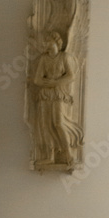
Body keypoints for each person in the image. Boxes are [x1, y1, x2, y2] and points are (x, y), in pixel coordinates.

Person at [32, 32, 83, 167]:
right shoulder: (44, 59)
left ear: (56, 42)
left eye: (48, 41)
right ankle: (49, 156)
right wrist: (47, 83)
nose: (45, 44)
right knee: (45, 125)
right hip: (45, 94)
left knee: (58, 123)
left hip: (58, 93)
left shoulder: (63, 57)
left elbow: (71, 76)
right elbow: (37, 79)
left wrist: (55, 82)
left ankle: (68, 155)